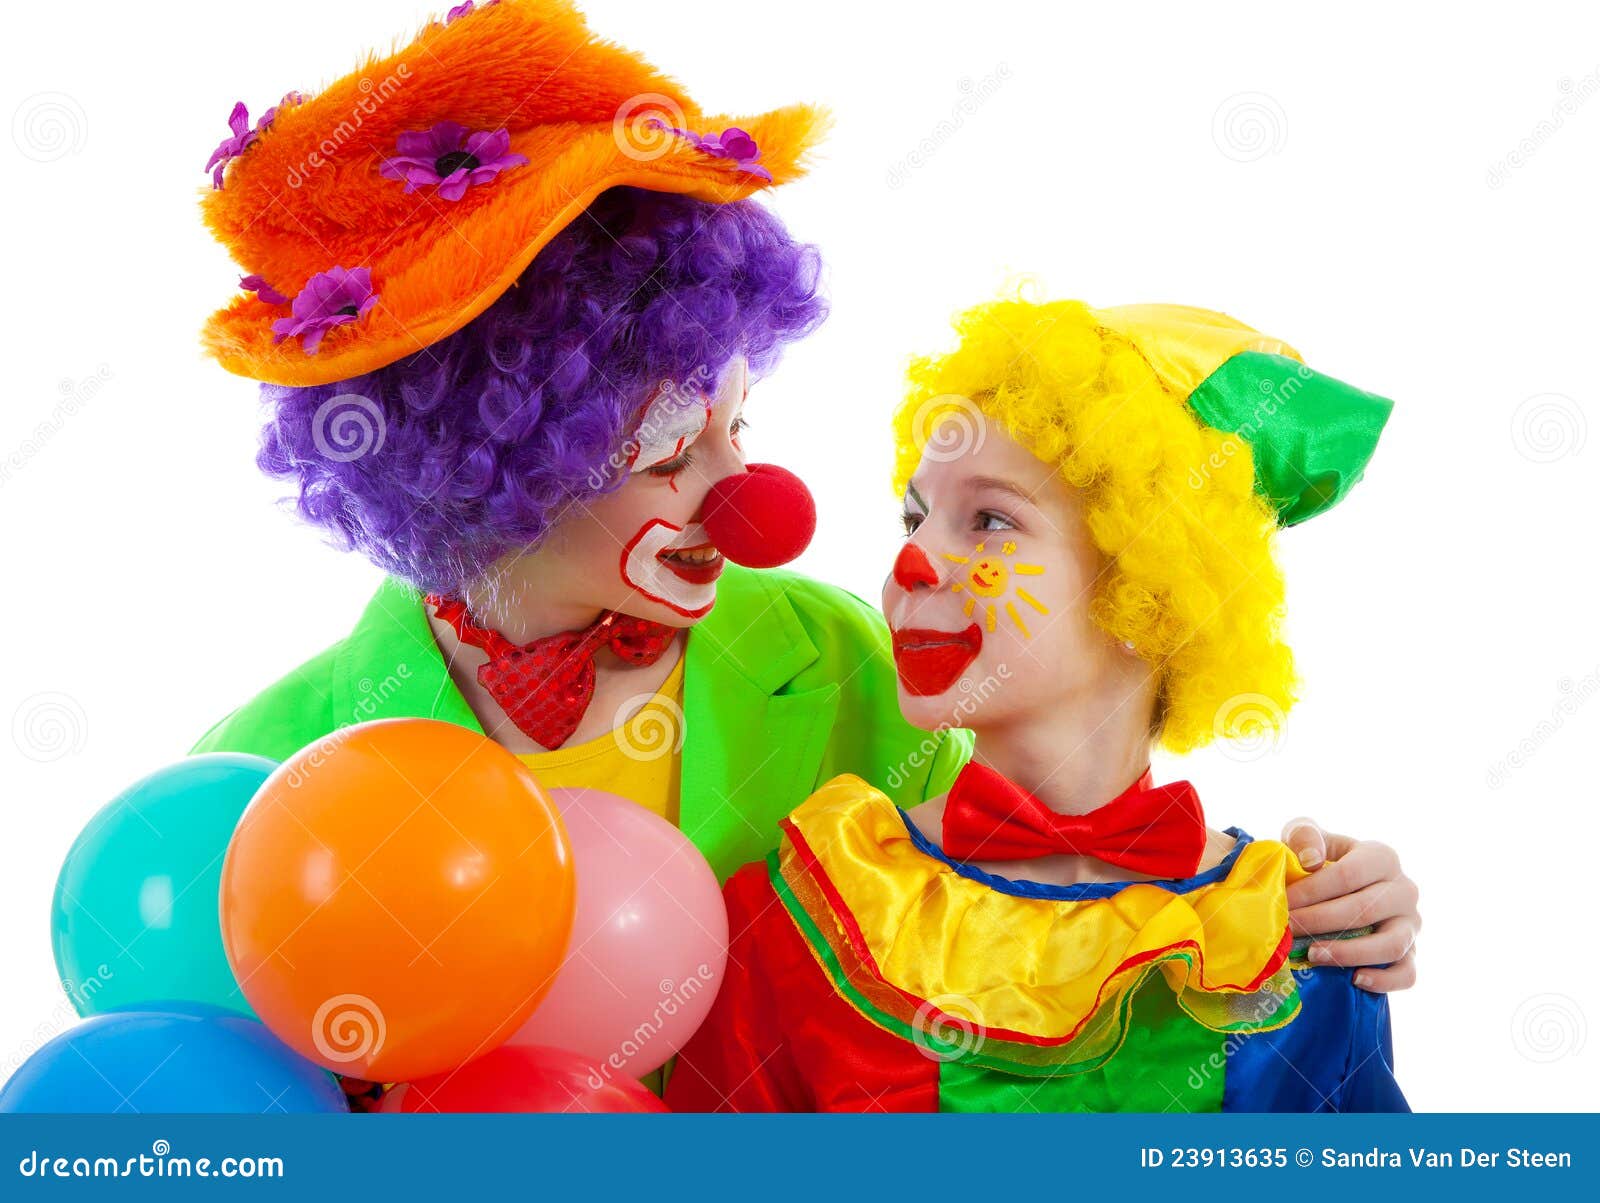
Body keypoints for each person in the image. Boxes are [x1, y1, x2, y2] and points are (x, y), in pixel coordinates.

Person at [190, 0, 1418, 1023]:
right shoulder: (268, 773)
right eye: (675, 451)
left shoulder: (851, 670)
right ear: (497, 467)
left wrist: (1311, 892)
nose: (750, 501)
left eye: (743, 427)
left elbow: (1046, 878)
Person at [665, 298, 1410, 1112]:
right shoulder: (802, 917)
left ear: (1146, 586)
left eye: (988, 520)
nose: (913, 561)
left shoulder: (1296, 937)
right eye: (915, 518)